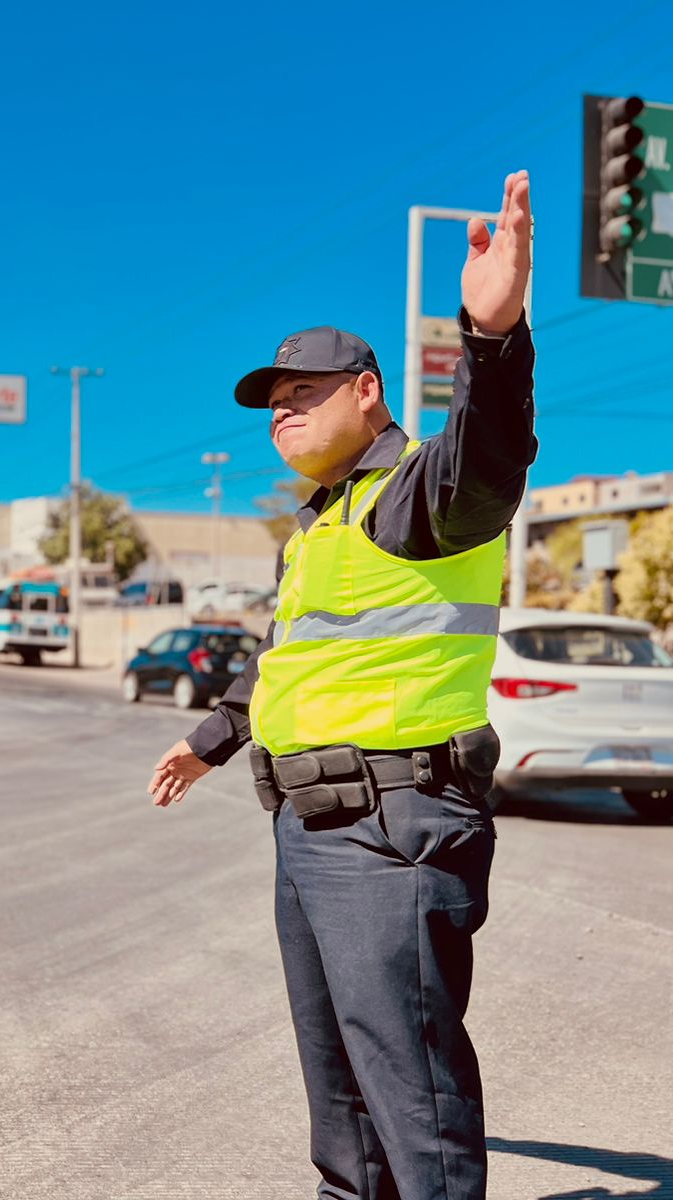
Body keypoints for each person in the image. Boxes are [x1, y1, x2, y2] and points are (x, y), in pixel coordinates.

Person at [148, 171, 534, 1200]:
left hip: (389, 822)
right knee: (341, 1093)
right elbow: (286, 655)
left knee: (410, 1093)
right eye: (272, 408)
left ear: (367, 391)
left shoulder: (416, 493)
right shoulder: (323, 522)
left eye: (301, 397)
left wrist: (490, 341)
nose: (280, 417)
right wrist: (213, 740)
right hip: (308, 825)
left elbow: (488, 459)